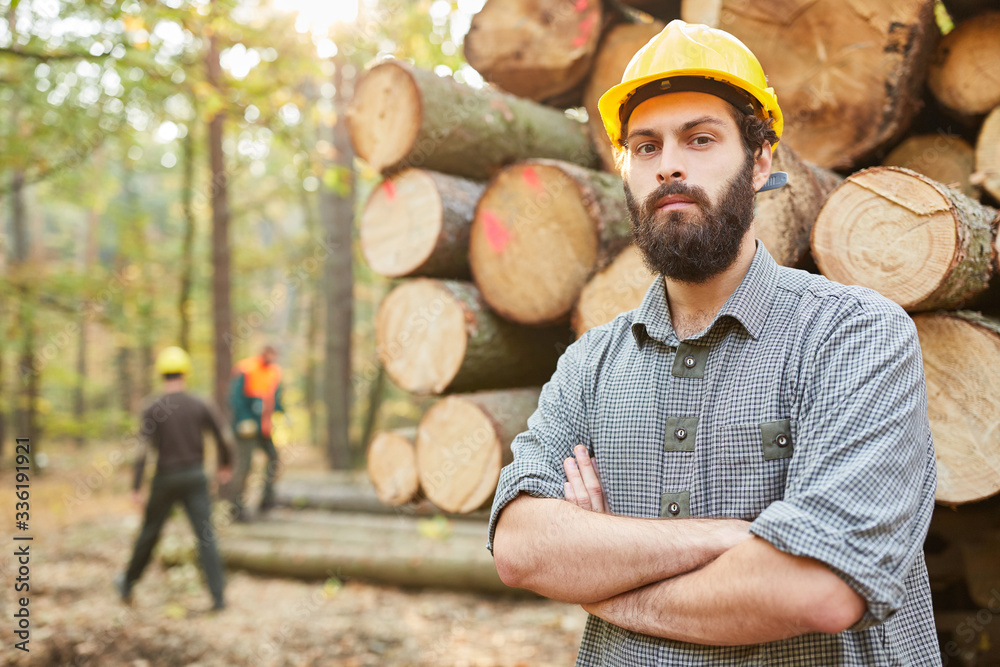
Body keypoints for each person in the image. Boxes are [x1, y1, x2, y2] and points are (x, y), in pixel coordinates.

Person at [488, 20, 939, 665]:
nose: (669, 163)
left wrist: (607, 584)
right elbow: (523, 548)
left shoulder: (854, 336)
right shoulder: (590, 364)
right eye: (645, 147)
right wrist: (734, 539)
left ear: (760, 162)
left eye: (700, 139)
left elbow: (817, 587)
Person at [117, 346, 234, 611]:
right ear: (186, 373)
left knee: (149, 533)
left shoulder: (152, 407)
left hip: (165, 479)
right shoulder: (200, 404)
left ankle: (126, 583)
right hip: (195, 477)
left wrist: (136, 486)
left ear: (161, 374)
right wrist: (225, 465)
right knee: (206, 536)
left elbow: (142, 451)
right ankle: (218, 598)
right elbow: (224, 437)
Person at [228, 344, 284, 521]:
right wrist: (243, 419)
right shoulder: (246, 369)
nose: (272, 358)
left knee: (274, 458)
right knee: (245, 464)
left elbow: (275, 398)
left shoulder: (274, 372)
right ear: (262, 353)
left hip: (264, 427)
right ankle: (236, 507)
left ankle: (267, 498)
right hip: (247, 427)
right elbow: (235, 398)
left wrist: (283, 413)